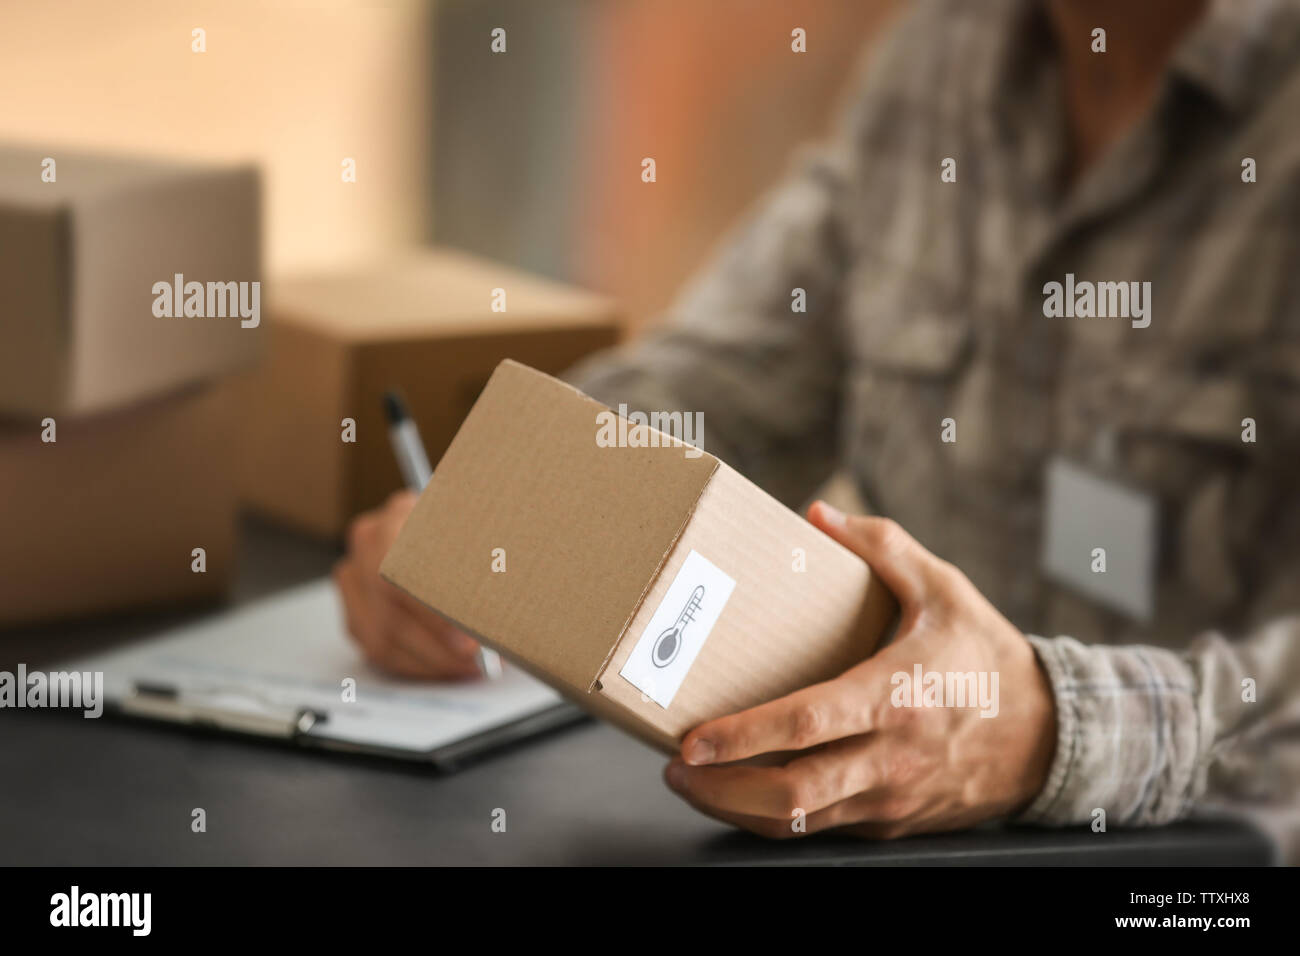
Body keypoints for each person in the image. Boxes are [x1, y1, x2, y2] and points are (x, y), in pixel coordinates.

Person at [333, 0, 1300, 854]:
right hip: (874, 834)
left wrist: (1052, 731)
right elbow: (723, 376)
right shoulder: (940, 60)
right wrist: (503, 515)